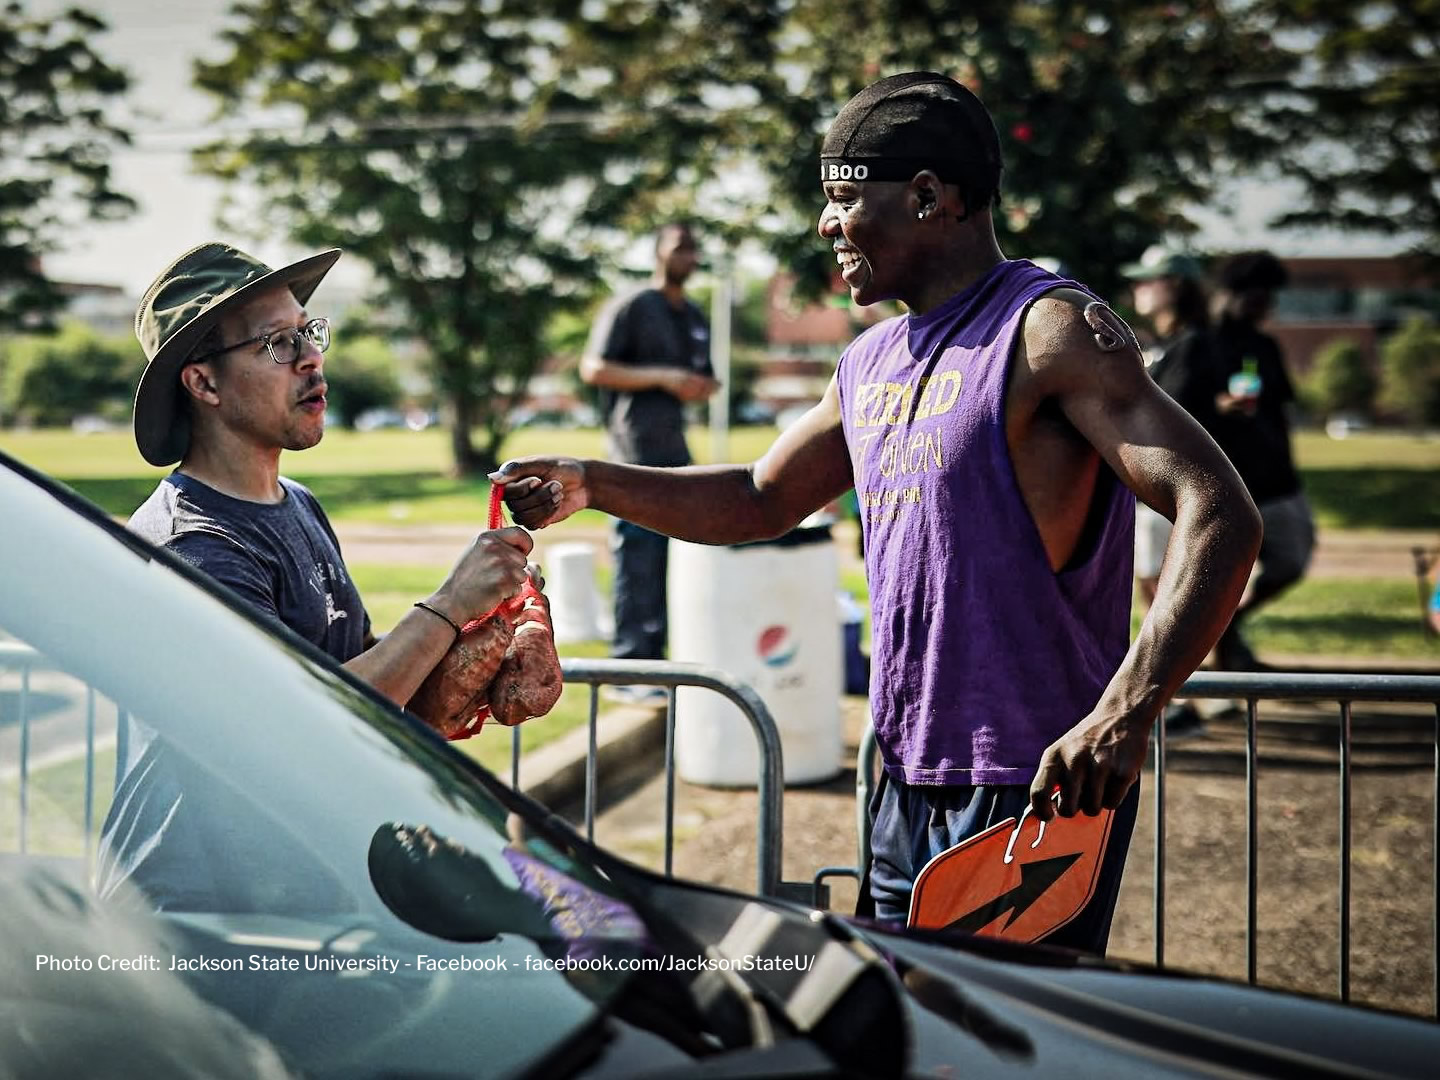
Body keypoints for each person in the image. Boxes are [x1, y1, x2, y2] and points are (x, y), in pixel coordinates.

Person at [492, 72, 1260, 952]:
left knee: (997, 1042)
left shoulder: (1048, 328)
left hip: (1032, 784)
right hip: (901, 774)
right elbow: (761, 497)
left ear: (929, 196)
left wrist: (1125, 712)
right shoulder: (870, 360)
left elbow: (1219, 511)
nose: (826, 226)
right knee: (906, 1025)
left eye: (843, 198)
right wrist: (594, 481)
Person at [99, 241, 534, 909]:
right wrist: (449, 604)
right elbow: (298, 724)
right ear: (204, 383)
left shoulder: (297, 504)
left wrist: (487, 635)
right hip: (201, 917)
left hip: (297, 886)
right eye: (276, 343)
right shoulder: (194, 547)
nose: (310, 357)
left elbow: (361, 673)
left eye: (308, 331)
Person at [580, 223, 719, 704]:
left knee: (676, 558)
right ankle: (626, 671)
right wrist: (663, 376)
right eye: (680, 246)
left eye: (693, 247)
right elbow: (593, 368)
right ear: (657, 251)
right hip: (632, 451)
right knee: (637, 556)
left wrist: (699, 385)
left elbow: (703, 376)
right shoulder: (633, 305)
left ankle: (657, 662)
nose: (689, 255)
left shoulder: (694, 315)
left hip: (674, 452)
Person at [1158, 251, 1315, 671]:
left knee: (1291, 560)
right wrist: (1217, 408)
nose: (1261, 304)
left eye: (1267, 296)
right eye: (1251, 294)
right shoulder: (1197, 345)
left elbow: (1280, 410)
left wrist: (1288, 464)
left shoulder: (1264, 346)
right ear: (1226, 293)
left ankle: (1227, 625)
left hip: (1275, 481)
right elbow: (1168, 411)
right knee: (1210, 576)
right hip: (1222, 484)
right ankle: (1214, 653)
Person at [1122, 245, 1214, 737]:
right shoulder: (1171, 344)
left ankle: (1179, 702)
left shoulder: (1193, 347)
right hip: (1156, 499)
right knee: (1156, 595)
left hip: (1171, 498)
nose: (1138, 288)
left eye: (1147, 279)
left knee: (1165, 600)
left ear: (1173, 285)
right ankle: (1179, 700)